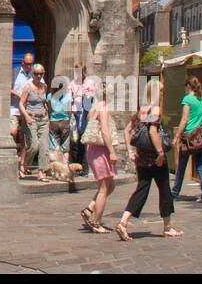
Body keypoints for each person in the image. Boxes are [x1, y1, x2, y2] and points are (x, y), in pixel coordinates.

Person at [115, 97, 181, 241]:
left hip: (142, 158)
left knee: (142, 189)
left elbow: (127, 130)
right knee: (164, 190)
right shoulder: (155, 109)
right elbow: (152, 132)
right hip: (155, 159)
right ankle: (167, 227)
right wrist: (161, 153)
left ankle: (123, 221)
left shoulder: (142, 110)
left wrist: (130, 151)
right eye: (161, 91)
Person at [80, 80, 117, 233]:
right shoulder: (103, 108)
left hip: (93, 150)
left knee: (111, 185)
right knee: (103, 189)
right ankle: (96, 222)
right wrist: (112, 151)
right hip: (101, 151)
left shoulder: (93, 108)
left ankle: (90, 209)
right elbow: (104, 131)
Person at [171, 77, 202, 204]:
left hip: (188, 137)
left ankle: (175, 193)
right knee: (200, 165)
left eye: (185, 86)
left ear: (188, 86)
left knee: (182, 166)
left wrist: (177, 136)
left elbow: (184, 119)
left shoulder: (187, 99)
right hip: (199, 136)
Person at [20, 64, 50, 181]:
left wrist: (47, 114)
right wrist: (26, 116)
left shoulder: (44, 86)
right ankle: (24, 164)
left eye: (41, 73)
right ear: (32, 74)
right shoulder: (28, 87)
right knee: (34, 145)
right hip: (31, 118)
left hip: (43, 119)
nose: (39, 76)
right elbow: (21, 103)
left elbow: (44, 102)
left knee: (44, 146)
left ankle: (42, 172)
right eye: (36, 73)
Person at [69, 63, 95, 175]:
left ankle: (84, 167)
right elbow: (69, 98)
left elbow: (90, 97)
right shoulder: (73, 83)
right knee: (74, 140)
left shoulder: (90, 82)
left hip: (85, 113)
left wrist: (85, 94)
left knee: (83, 140)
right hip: (75, 112)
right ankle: (75, 166)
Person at [10, 54, 32, 178]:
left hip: (27, 111)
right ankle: (12, 157)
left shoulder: (34, 75)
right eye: (27, 64)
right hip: (14, 109)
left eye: (31, 64)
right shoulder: (15, 72)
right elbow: (7, 88)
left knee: (25, 140)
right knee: (13, 132)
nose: (29, 66)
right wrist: (19, 95)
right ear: (22, 62)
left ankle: (22, 165)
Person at [47, 79, 73, 158]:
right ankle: (65, 165)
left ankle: (55, 167)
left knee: (54, 147)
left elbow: (49, 109)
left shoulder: (49, 96)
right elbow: (70, 111)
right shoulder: (68, 97)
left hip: (53, 122)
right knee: (65, 148)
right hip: (65, 122)